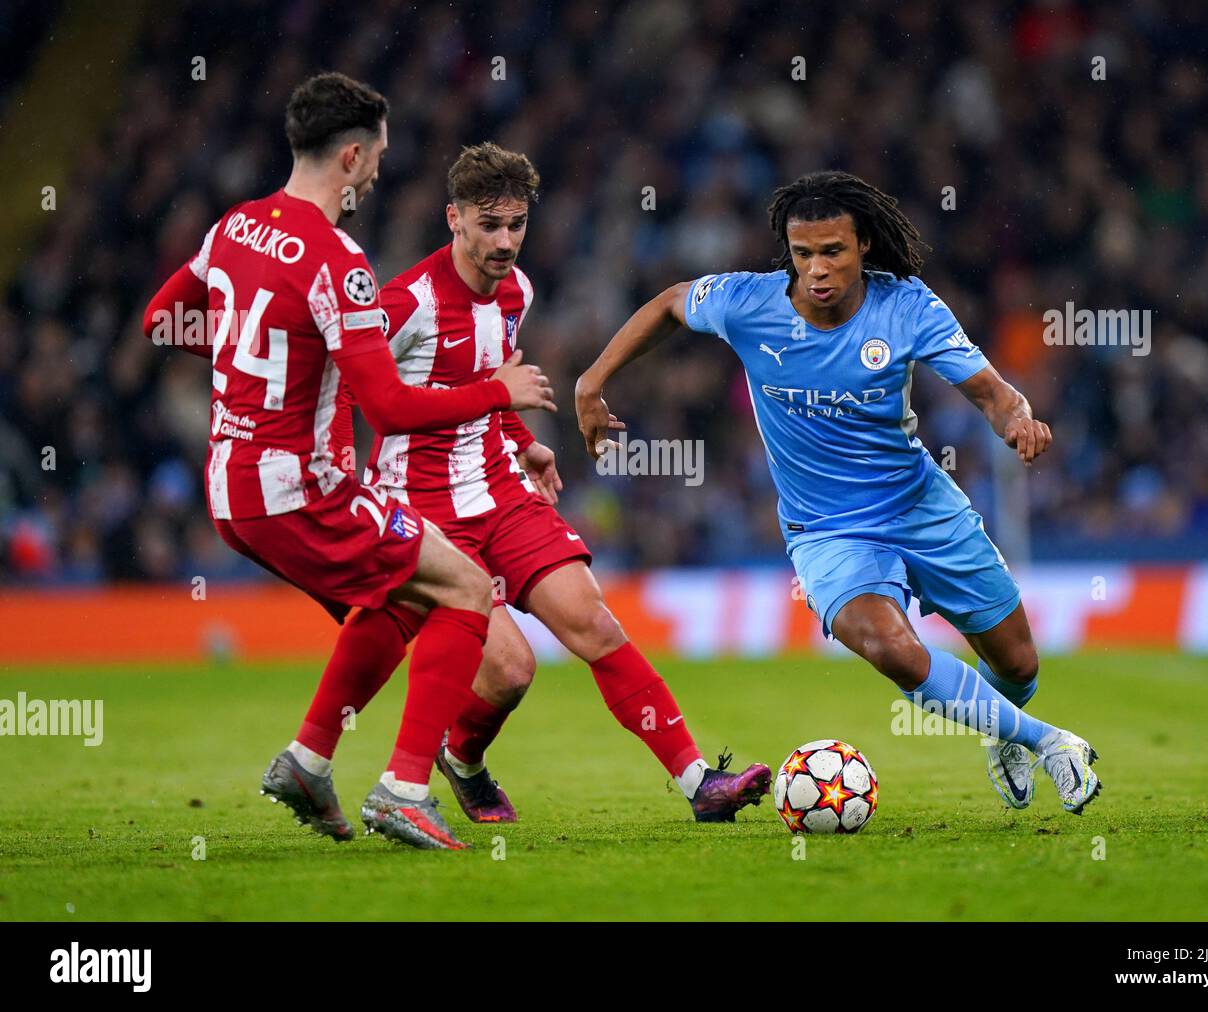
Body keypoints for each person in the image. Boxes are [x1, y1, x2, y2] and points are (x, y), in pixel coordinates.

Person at [576, 170, 1103, 814]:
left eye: (833, 252)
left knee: (1019, 666)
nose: (816, 269)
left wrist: (1017, 419)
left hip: (921, 507)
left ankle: (1004, 732)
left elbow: (992, 394)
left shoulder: (907, 306)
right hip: (827, 532)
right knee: (891, 648)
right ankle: (1053, 744)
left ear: (864, 249)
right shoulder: (747, 302)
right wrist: (591, 382)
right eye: (803, 255)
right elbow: (668, 302)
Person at [143, 73, 556, 851]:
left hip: (230, 489)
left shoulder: (231, 227)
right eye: (379, 157)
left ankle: (307, 760)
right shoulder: (340, 262)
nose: (378, 171)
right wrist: (495, 392)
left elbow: (161, 319)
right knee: (464, 586)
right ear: (355, 156)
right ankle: (404, 789)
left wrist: (251, 355)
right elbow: (392, 407)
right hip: (304, 486)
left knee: (400, 599)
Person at [322, 142, 771, 828]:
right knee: (510, 671)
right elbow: (364, 395)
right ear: (454, 219)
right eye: (490, 225)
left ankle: (700, 782)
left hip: (500, 486)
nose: (505, 242)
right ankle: (459, 759)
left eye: (517, 224)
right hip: (424, 505)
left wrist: (523, 439)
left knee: (592, 621)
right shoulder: (404, 303)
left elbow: (492, 377)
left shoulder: (517, 293)